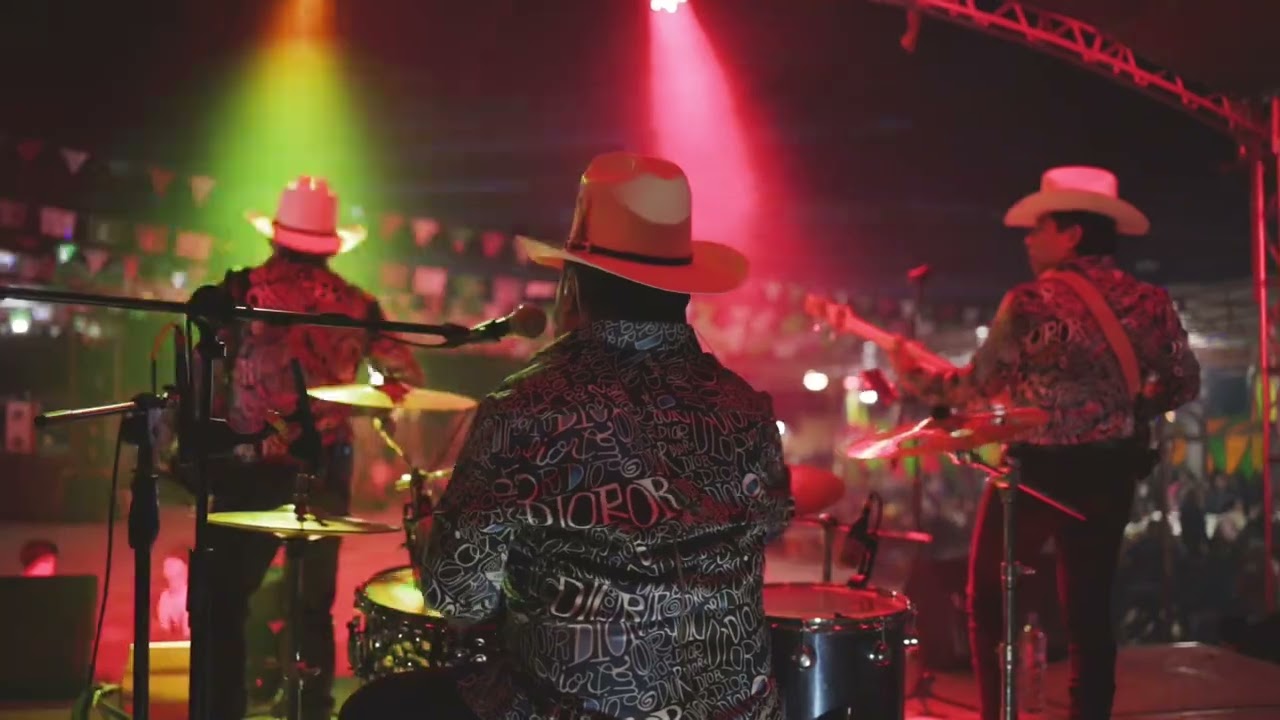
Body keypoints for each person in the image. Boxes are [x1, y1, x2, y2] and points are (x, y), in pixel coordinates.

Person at [340, 152, 793, 720]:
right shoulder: (746, 408)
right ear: (683, 292)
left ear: (572, 287)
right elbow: (773, 521)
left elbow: (458, 596)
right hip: (741, 713)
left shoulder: (525, 408)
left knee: (375, 709)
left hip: (575, 712)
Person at [889, 166, 1200, 719]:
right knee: (1088, 610)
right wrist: (1128, 407)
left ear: (1072, 233)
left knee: (987, 598)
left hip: (1037, 472)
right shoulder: (1149, 300)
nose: (1029, 239)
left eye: (1040, 227)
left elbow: (973, 389)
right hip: (1109, 470)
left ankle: (996, 713)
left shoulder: (1030, 301)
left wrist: (911, 372)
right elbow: (1182, 381)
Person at [207, 176, 424, 720]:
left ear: (276, 237)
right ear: (330, 245)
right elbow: (405, 375)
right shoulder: (359, 304)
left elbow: (210, 367)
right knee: (313, 606)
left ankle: (222, 708)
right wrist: (353, 402)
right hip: (326, 464)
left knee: (224, 600)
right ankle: (312, 708)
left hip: (245, 464)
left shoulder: (240, 292)